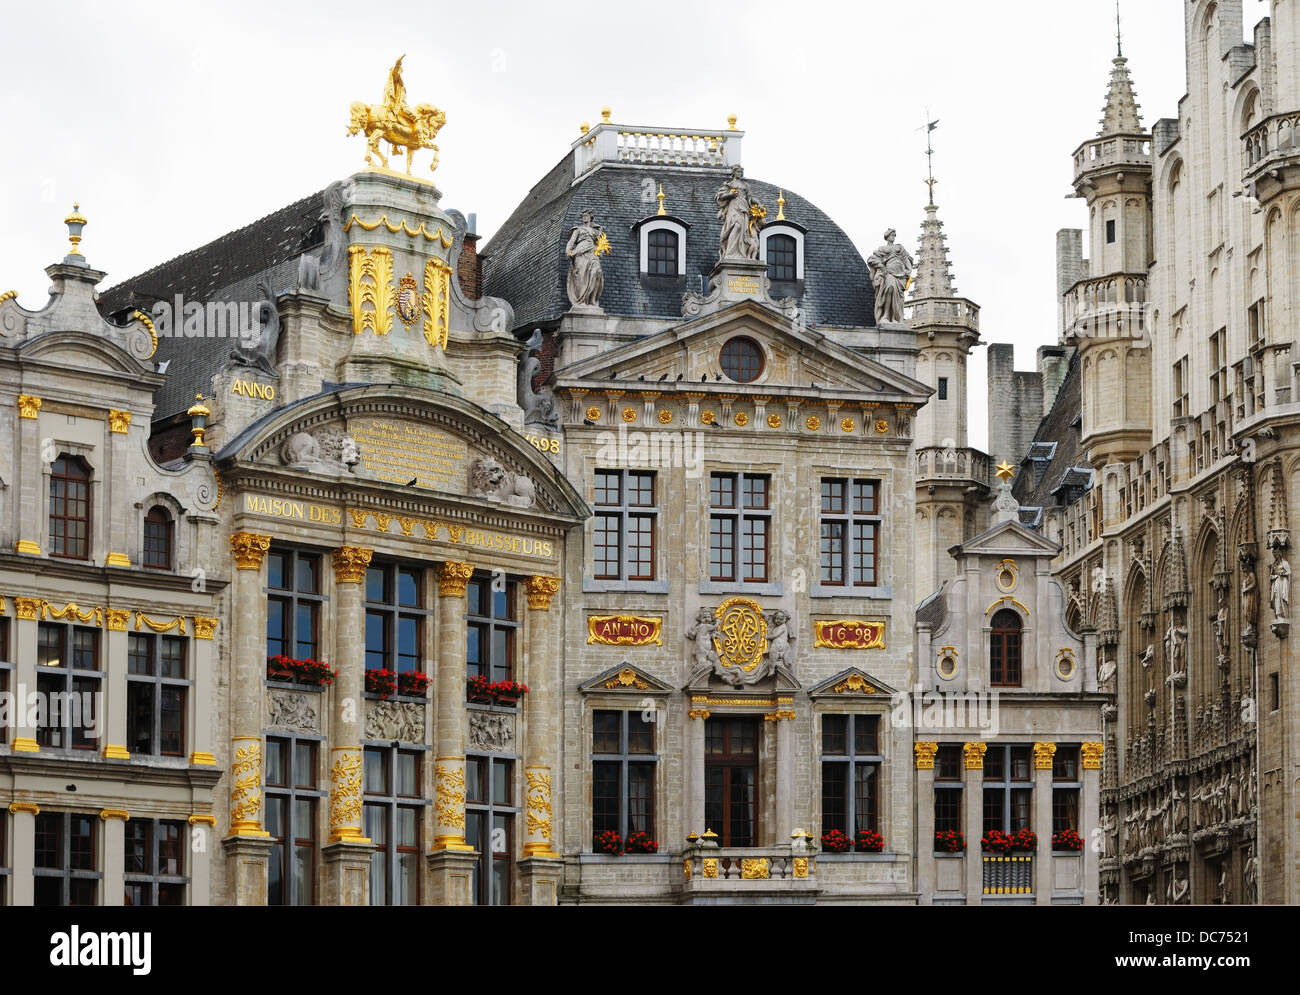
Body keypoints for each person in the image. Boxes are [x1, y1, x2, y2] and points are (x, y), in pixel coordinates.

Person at [868, 229, 915, 324]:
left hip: (900, 275)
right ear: (887, 237)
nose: (893, 236)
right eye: (891, 235)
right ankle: (885, 315)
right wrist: (881, 267)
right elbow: (871, 259)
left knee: (897, 297)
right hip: (889, 273)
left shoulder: (900, 248)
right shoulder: (882, 249)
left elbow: (906, 260)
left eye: (894, 235)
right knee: (890, 288)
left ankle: (894, 317)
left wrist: (908, 271)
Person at [715, 165, 760, 260]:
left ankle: (741, 252)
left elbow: (750, 197)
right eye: (737, 171)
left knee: (743, 230)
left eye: (740, 172)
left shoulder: (745, 186)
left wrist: (759, 203)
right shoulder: (728, 185)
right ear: (734, 173)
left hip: (744, 207)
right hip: (733, 206)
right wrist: (730, 195)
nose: (739, 173)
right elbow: (719, 197)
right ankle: (730, 252)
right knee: (736, 226)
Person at [565, 209, 606, 308]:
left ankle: (592, 300)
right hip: (580, 253)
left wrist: (601, 251)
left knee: (597, 272)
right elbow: (571, 242)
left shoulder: (596, 231)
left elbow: (601, 243)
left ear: (590, 217)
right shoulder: (578, 229)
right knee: (581, 275)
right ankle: (582, 300)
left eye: (586, 216)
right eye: (583, 216)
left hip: (592, 252)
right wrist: (568, 251)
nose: (584, 218)